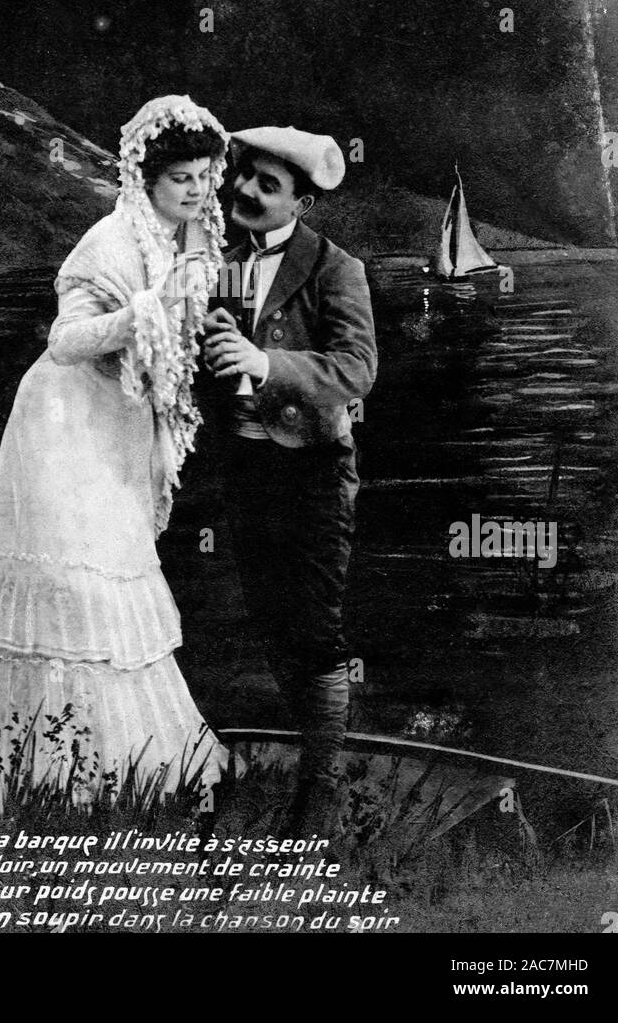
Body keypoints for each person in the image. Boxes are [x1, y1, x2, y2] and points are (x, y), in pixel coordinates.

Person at [0, 95, 230, 811]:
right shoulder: (110, 241)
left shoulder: (178, 241)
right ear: (147, 179)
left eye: (204, 176)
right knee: (69, 580)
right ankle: (41, 770)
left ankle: (118, 764)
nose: (195, 189)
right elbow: (66, 340)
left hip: (113, 423)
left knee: (113, 573)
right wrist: (146, 311)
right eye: (181, 177)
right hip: (61, 425)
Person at [203, 126, 377, 832]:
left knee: (313, 628)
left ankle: (323, 789)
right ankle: (310, 766)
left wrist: (265, 363)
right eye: (243, 176)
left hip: (311, 472)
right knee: (271, 622)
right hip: (246, 469)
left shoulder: (337, 268)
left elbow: (356, 370)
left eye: (266, 185)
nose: (244, 190)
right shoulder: (219, 261)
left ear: (301, 202)